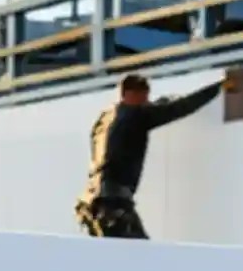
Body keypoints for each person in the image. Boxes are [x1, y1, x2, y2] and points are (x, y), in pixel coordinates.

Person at [74, 72, 234, 239]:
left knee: (117, 257)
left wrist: (161, 102)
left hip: (90, 203)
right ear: (131, 94)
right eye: (144, 97)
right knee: (141, 256)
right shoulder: (136, 116)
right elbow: (179, 108)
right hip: (112, 204)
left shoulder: (105, 117)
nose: (146, 101)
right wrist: (217, 88)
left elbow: (156, 108)